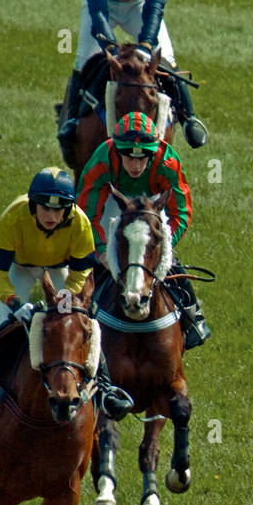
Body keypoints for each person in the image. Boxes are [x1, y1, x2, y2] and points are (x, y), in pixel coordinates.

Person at [0, 167, 133, 419]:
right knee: (3, 321)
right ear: (33, 205)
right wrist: (14, 303)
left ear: (67, 209)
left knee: (82, 322)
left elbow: (82, 272)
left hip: (60, 268)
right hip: (21, 267)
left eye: (58, 210)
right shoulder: (12, 217)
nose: (51, 215)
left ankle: (105, 387)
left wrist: (67, 296)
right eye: (45, 208)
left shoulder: (80, 222)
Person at [56, 0, 208, 164]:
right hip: (103, 7)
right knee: (84, 59)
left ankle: (189, 118)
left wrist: (147, 44)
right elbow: (97, 10)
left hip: (139, 7)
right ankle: (72, 120)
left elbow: (155, 7)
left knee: (167, 59)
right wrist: (109, 46)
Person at [76, 112, 211, 349]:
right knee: (91, 264)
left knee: (165, 262)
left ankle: (193, 316)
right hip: (113, 201)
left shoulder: (168, 161)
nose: (136, 165)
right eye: (129, 158)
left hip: (153, 203)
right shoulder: (101, 160)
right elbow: (87, 212)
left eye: (142, 159)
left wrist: (163, 249)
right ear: (117, 151)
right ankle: (76, 313)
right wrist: (102, 250)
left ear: (153, 152)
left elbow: (180, 212)